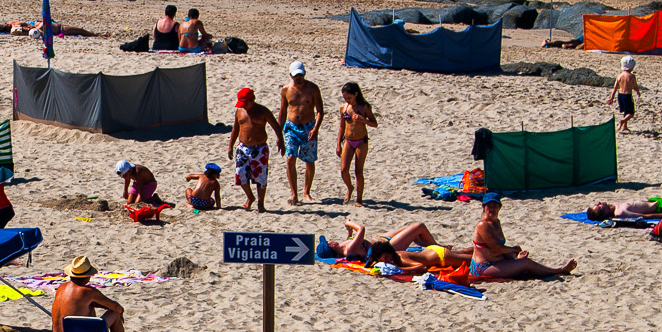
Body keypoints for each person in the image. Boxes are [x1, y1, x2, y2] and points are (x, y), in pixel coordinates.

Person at [470, 194, 575, 278]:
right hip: (484, 267)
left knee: (517, 252)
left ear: (500, 207)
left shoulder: (496, 221)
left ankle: (517, 260)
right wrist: (513, 250)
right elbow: (496, 248)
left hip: (497, 260)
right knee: (526, 263)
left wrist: (513, 253)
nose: (492, 209)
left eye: (495, 206)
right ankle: (559, 271)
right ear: (484, 207)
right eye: (489, 206)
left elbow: (499, 247)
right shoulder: (483, 225)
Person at [50, 256, 133, 332]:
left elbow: (78, 304)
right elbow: (117, 308)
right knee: (115, 313)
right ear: (87, 277)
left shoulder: (61, 287)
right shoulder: (88, 291)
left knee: (90, 307)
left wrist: (102, 306)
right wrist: (120, 312)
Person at [229, 87, 284, 212]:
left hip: (259, 148)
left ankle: (260, 203)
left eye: (246, 103)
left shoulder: (263, 111)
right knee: (240, 173)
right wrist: (230, 146)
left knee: (260, 177)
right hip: (242, 147)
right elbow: (235, 128)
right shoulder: (239, 111)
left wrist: (281, 141)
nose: (244, 106)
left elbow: (275, 126)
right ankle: (250, 197)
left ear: (252, 99)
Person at [318, 220, 462, 266]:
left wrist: (349, 234)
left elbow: (355, 239)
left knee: (411, 231)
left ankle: (433, 246)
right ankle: (438, 247)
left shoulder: (345, 247)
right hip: (388, 247)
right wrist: (349, 223)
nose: (330, 240)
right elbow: (361, 229)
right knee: (418, 226)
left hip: (383, 239)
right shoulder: (349, 249)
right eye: (328, 241)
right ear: (332, 246)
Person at [278, 60, 323, 206]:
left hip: (308, 127)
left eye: (301, 75)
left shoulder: (313, 89)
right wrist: (279, 133)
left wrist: (315, 129)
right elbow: (283, 111)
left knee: (309, 161)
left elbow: (320, 111)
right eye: (296, 76)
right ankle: (294, 194)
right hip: (291, 128)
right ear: (291, 75)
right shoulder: (286, 89)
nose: (299, 78)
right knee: (290, 158)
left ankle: (306, 192)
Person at [335, 82, 376, 206]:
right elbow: (342, 126)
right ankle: (349, 187)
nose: (347, 100)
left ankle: (359, 199)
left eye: (349, 97)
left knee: (358, 171)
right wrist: (338, 144)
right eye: (345, 97)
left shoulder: (364, 107)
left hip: (361, 141)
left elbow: (374, 123)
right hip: (348, 140)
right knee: (343, 170)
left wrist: (363, 120)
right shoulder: (344, 107)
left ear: (356, 94)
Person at [609, 55, 639, 132]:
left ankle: (625, 126)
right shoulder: (631, 76)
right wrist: (638, 92)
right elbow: (635, 86)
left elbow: (615, 87)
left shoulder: (620, 76)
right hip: (627, 95)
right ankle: (622, 121)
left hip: (620, 95)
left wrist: (611, 97)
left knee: (626, 111)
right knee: (631, 113)